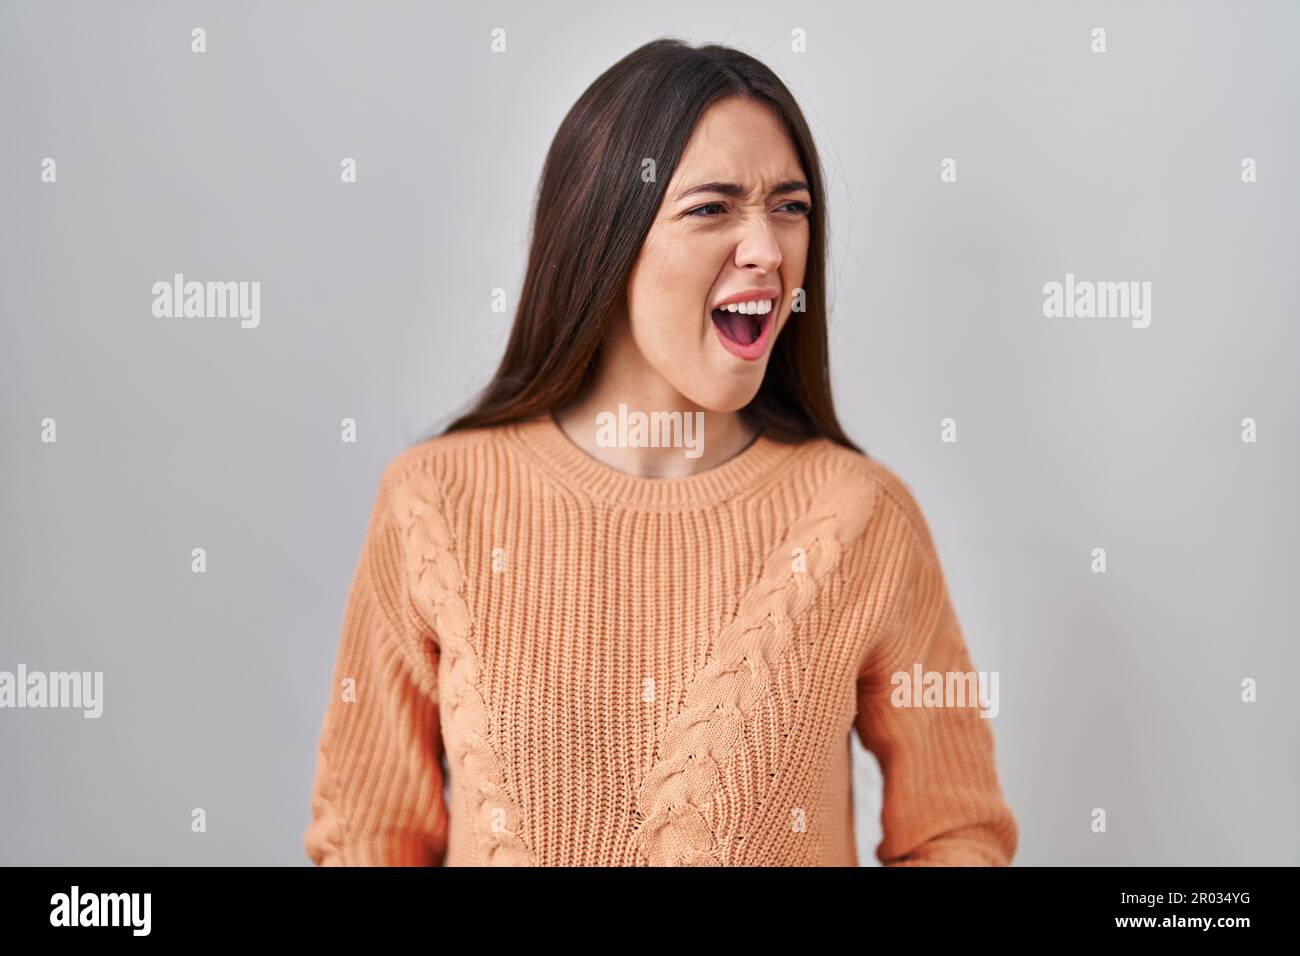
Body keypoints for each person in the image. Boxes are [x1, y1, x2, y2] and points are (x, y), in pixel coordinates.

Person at [303, 37, 1018, 867]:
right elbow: (366, 838)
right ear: (601, 235)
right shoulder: (434, 501)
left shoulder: (860, 518)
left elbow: (955, 834)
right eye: (713, 207)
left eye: (789, 207)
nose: (768, 249)